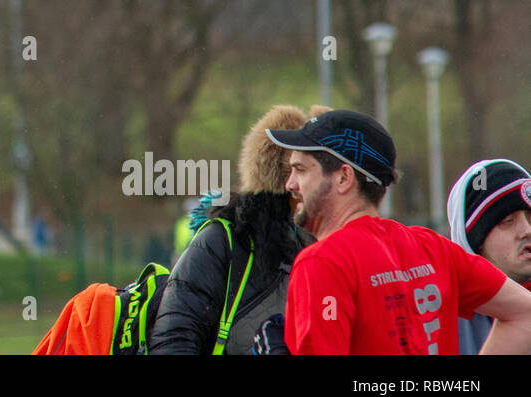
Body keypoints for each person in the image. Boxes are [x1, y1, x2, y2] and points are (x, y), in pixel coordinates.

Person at [268, 108, 531, 354]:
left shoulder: (322, 262)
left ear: (343, 178)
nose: (290, 183)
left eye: (300, 170)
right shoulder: (434, 247)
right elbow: (525, 314)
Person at [149, 104, 323, 354]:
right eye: (299, 170)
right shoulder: (225, 240)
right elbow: (175, 337)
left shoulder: (322, 245)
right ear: (285, 180)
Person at [447, 159, 531, 354]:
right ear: (477, 241)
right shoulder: (448, 318)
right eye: (507, 221)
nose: (527, 230)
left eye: (530, 217)